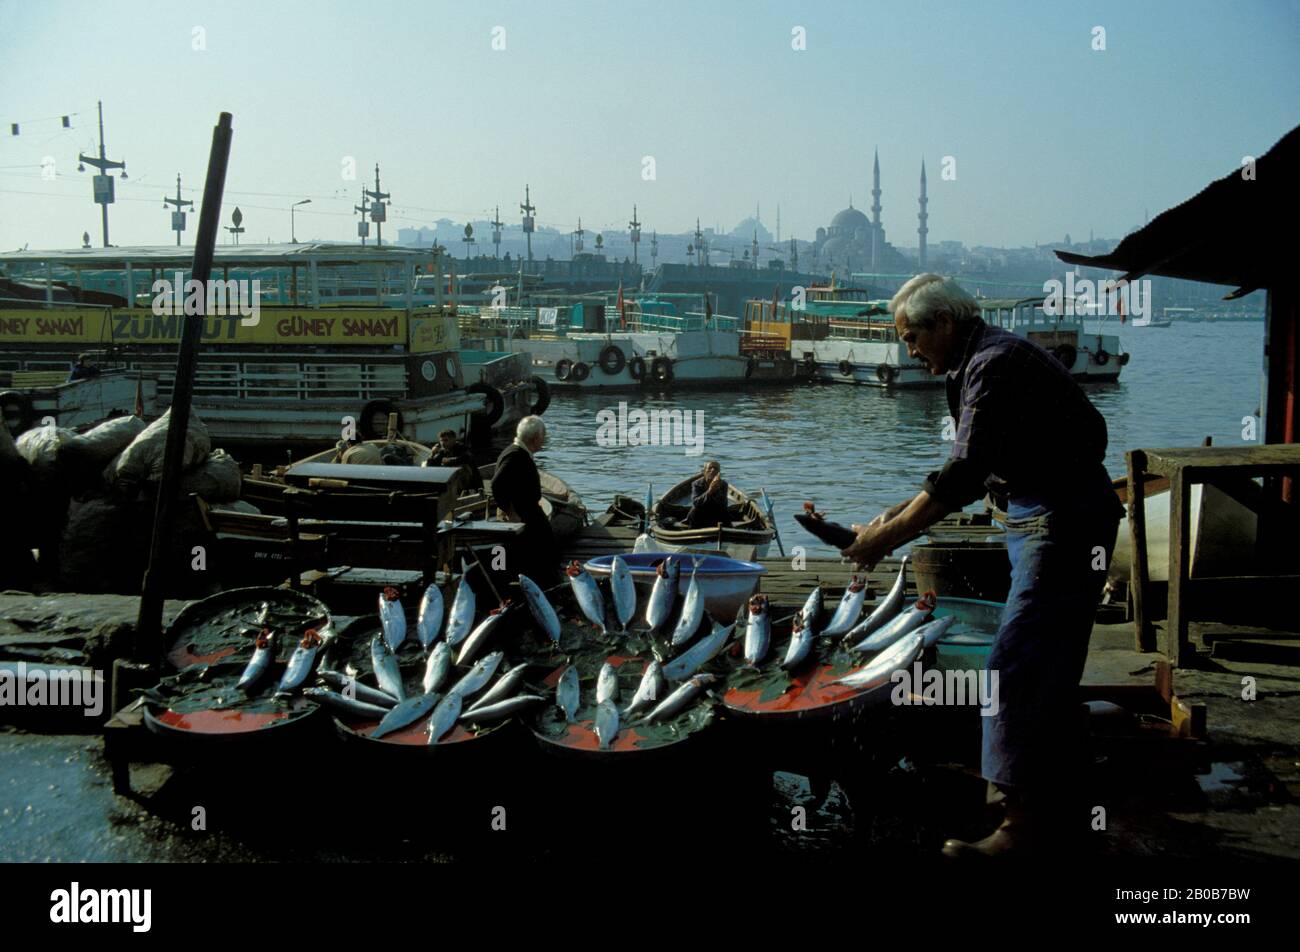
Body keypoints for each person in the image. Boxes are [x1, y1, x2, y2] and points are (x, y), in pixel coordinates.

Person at [840, 274, 1122, 859]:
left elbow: (963, 475)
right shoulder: (978, 361)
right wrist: (892, 516)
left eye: (912, 337)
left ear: (943, 323)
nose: (909, 350)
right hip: (1035, 515)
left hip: (1061, 520)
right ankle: (1049, 793)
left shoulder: (993, 364)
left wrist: (885, 539)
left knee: (1015, 660)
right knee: (1049, 659)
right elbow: (968, 468)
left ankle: (1020, 830)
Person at [491, 415, 557, 588]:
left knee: (544, 550)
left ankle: (541, 586)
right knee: (540, 552)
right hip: (523, 515)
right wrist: (510, 512)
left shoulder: (519, 453)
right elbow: (497, 485)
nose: (544, 441)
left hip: (528, 511)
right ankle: (540, 588)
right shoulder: (515, 455)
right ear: (535, 438)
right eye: (543, 437)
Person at [685, 460, 731, 529]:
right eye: (710, 468)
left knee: (726, 512)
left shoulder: (723, 484)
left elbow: (723, 504)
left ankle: (727, 530)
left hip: (716, 513)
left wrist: (717, 490)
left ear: (719, 472)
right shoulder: (697, 484)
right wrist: (710, 491)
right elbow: (696, 502)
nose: (712, 470)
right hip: (701, 514)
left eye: (715, 468)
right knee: (694, 510)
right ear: (704, 471)